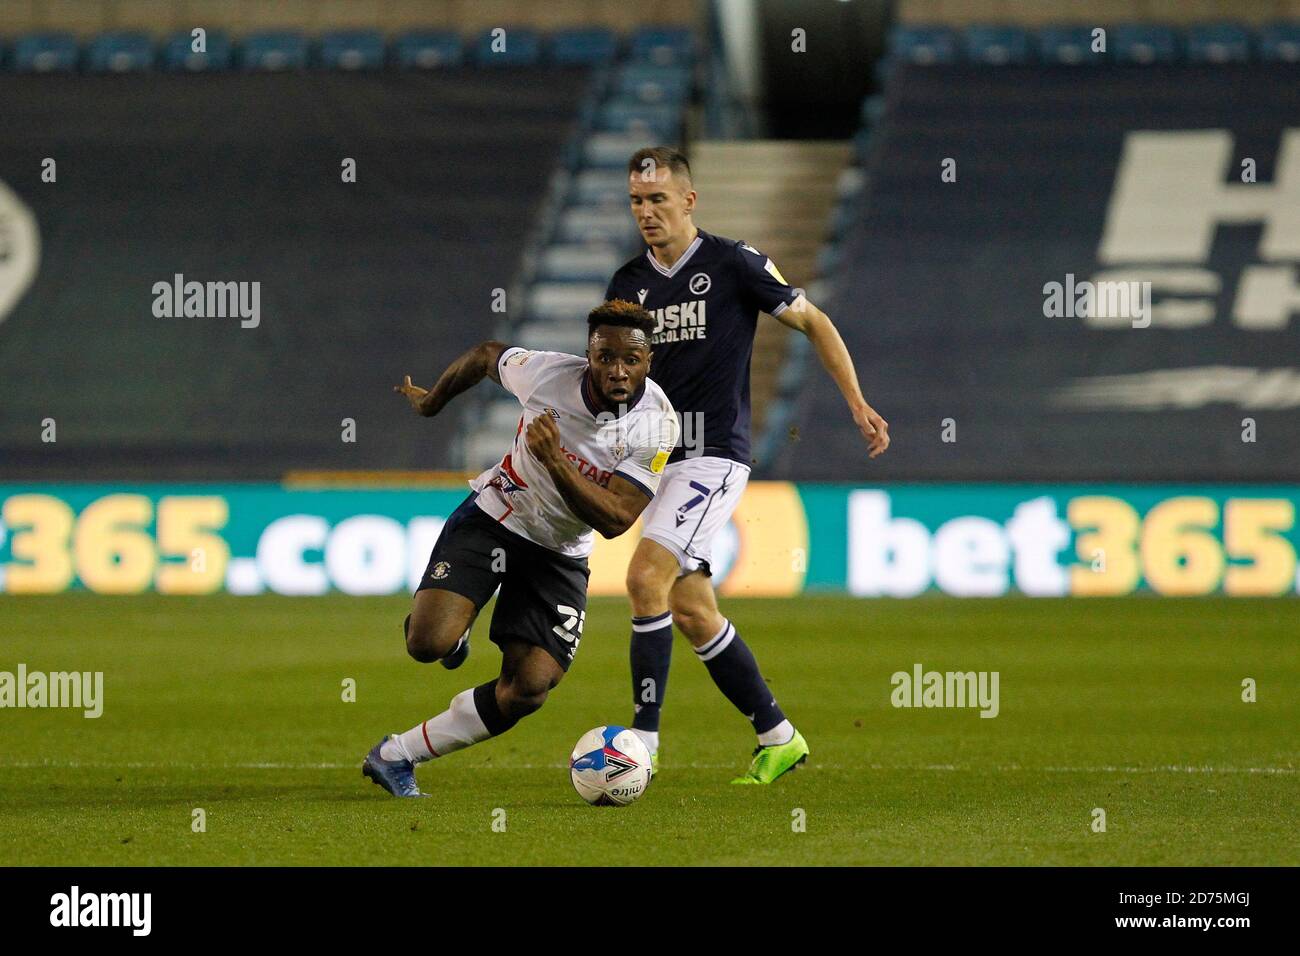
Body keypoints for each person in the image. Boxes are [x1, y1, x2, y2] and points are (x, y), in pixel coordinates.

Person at [604, 146, 891, 784]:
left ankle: (642, 743)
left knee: (644, 579)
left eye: (657, 199)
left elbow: (813, 321)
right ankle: (778, 735)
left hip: (714, 456)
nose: (646, 212)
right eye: (635, 201)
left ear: (689, 200)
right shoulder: (627, 284)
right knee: (692, 610)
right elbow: (610, 372)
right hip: (654, 460)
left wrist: (857, 402)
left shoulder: (733, 263)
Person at [362, 300, 678, 797]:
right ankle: (455, 630)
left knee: (528, 689)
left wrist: (555, 462)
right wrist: (432, 403)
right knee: (427, 645)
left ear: (649, 360)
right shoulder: (548, 375)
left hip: (560, 551)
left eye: (631, 360)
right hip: (496, 516)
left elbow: (617, 519)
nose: (618, 371)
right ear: (588, 355)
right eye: (605, 357)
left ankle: (396, 754)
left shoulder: (658, 424)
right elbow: (487, 355)